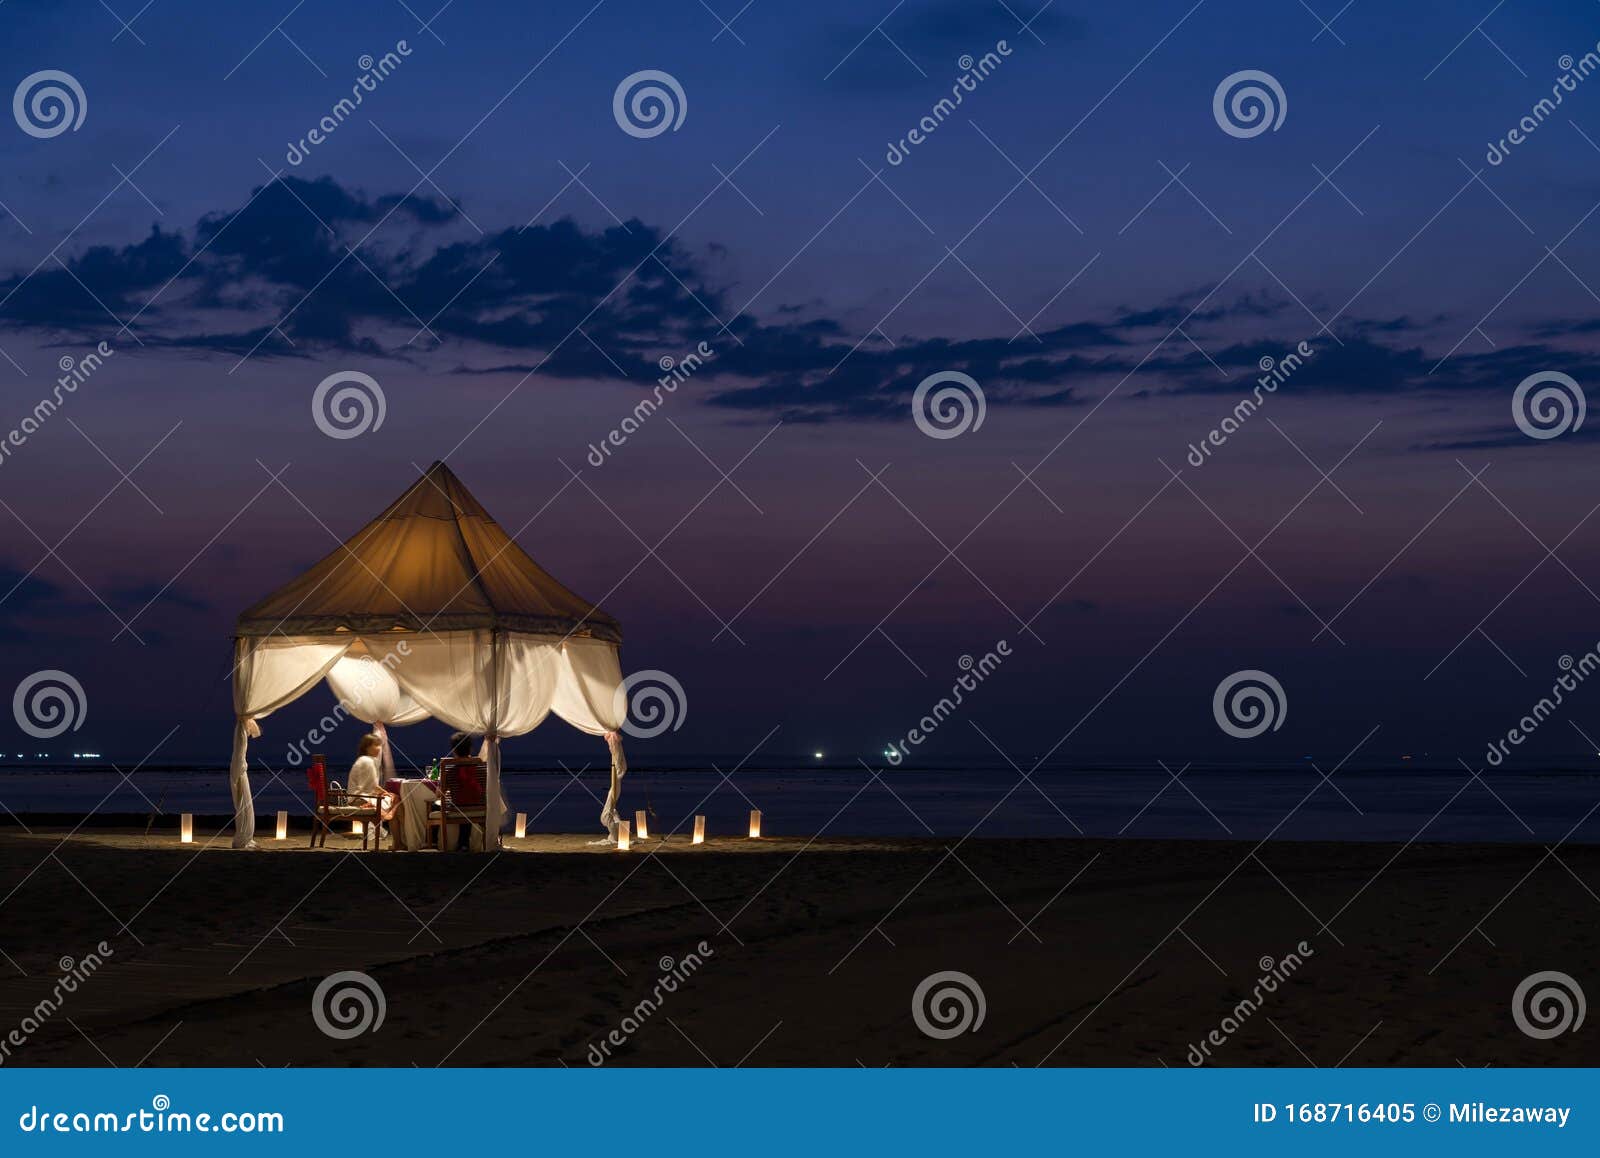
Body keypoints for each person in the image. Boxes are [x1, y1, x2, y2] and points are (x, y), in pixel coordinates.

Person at [345, 733, 395, 840]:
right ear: (367, 747)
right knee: (396, 800)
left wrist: (384, 792)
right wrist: (386, 793)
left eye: (379, 745)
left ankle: (388, 831)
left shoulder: (364, 760)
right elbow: (372, 787)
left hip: (356, 797)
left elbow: (371, 786)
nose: (379, 748)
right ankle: (397, 837)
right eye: (376, 745)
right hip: (359, 798)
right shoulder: (367, 762)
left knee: (392, 798)